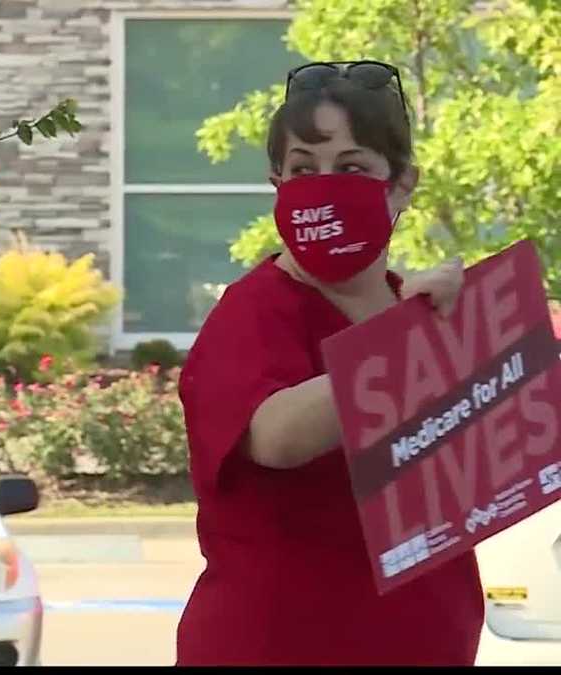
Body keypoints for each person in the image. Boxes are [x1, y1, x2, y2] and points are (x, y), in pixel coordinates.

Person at [175, 60, 480, 666]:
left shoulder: (422, 313)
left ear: (401, 185)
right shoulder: (257, 309)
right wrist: (407, 338)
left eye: (352, 168)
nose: (325, 186)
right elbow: (277, 436)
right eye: (303, 170)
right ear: (277, 187)